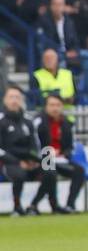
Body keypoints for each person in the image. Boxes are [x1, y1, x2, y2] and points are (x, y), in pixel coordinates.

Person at [1, 85, 55, 215]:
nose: (14, 100)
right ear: (4, 100)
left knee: (50, 170)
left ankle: (34, 205)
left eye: (17, 97)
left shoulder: (28, 121)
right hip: (8, 162)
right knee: (19, 175)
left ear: (21, 101)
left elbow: (35, 144)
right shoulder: (1, 121)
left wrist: (34, 159)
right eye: (11, 97)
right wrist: (17, 162)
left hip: (29, 160)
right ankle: (17, 207)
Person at [32, 93, 85, 213]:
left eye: (58, 105)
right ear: (46, 107)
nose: (55, 108)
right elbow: (34, 144)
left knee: (79, 171)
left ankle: (70, 205)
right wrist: (48, 153)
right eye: (52, 105)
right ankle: (42, 204)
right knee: (50, 172)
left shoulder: (66, 123)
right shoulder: (38, 122)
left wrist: (64, 153)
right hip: (43, 158)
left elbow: (70, 146)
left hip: (61, 158)